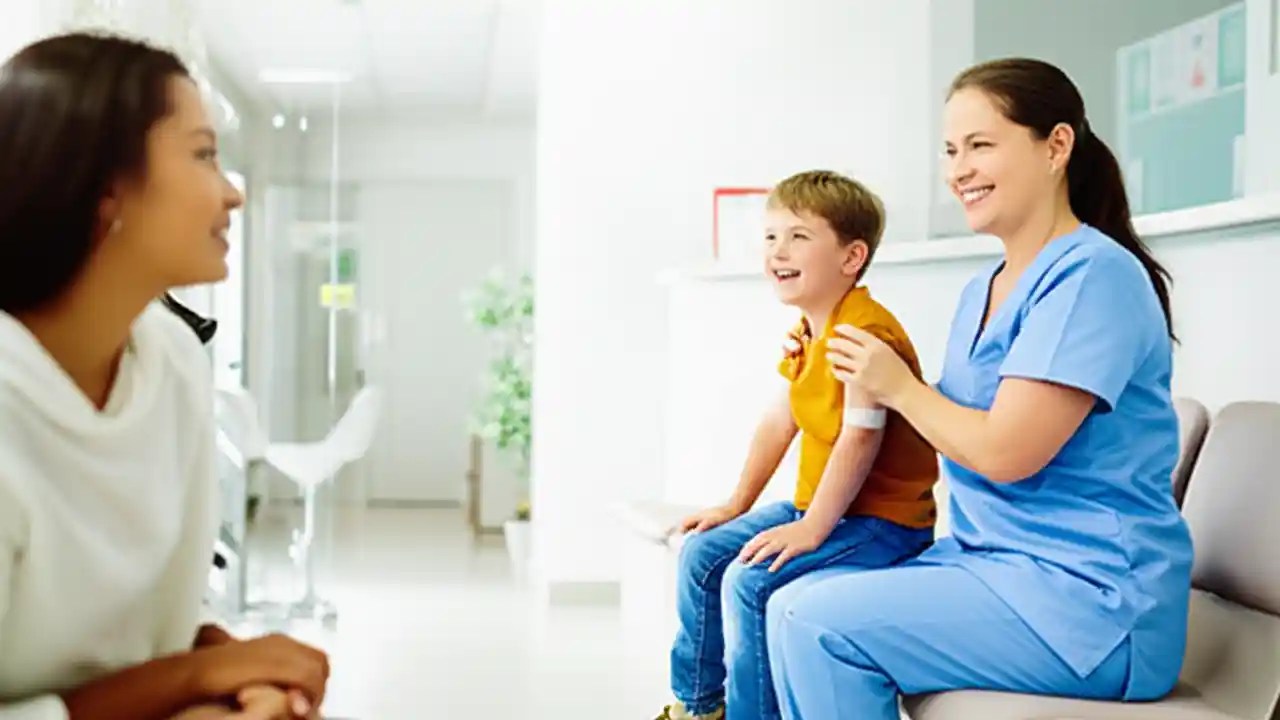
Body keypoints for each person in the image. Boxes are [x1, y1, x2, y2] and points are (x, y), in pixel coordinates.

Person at [766, 58, 1193, 719]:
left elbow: (1004, 451)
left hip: (1090, 604)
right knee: (788, 596)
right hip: (992, 568)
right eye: (950, 150)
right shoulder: (983, 291)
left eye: (980, 145)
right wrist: (831, 365)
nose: (958, 168)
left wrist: (901, 387)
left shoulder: (1093, 275)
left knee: (813, 620)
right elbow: (947, 421)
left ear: (1056, 146)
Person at [0, 33, 330, 720]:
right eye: (205, 155)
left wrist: (245, 683)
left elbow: (159, 634)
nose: (232, 194)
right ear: (104, 187)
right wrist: (198, 679)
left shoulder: (173, 362)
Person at [656, 171, 939, 720]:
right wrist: (736, 505)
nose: (777, 251)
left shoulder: (863, 335)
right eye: (770, 237)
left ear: (851, 257)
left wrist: (811, 530)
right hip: (825, 510)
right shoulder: (811, 332)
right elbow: (779, 421)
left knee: (751, 581)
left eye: (798, 237)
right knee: (701, 554)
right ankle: (699, 709)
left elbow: (860, 438)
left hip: (882, 523)